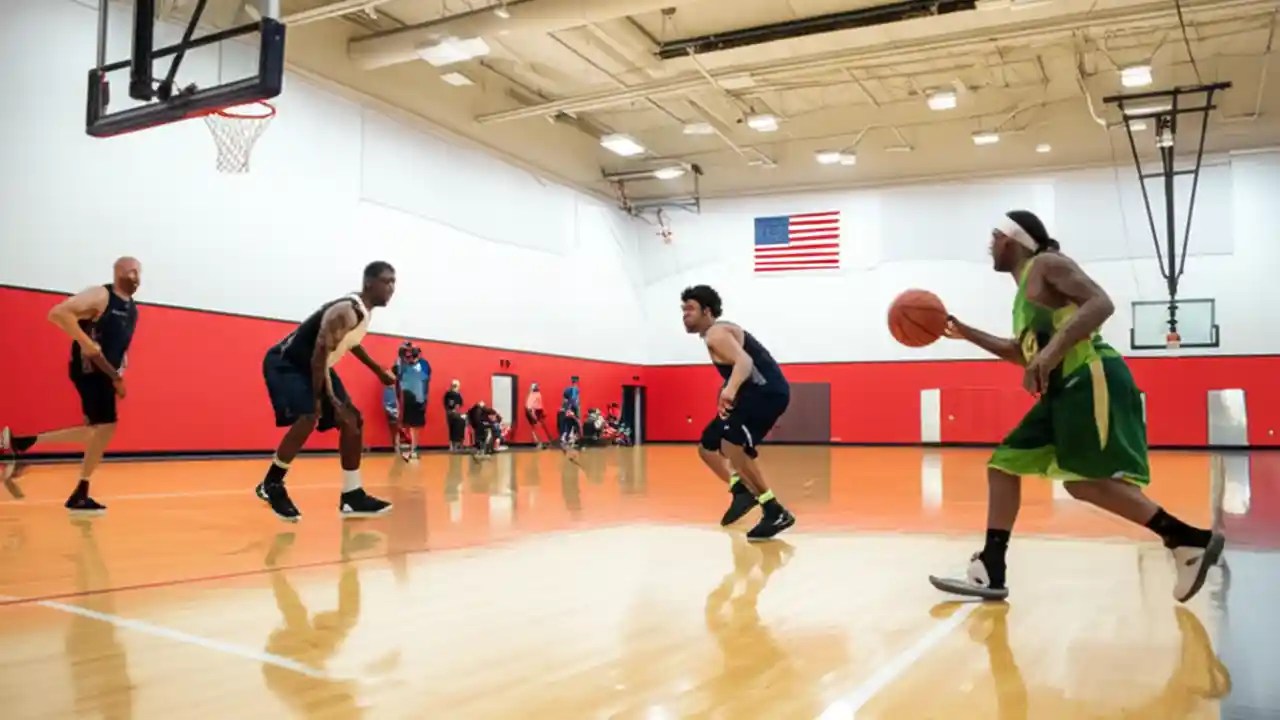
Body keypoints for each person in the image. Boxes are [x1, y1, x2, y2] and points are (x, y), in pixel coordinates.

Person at [928, 210, 1224, 603]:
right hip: (1062, 390)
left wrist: (1049, 355)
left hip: (1090, 375)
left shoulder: (1048, 264)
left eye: (994, 236)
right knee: (1004, 464)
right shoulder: (1023, 297)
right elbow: (1021, 353)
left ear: (1013, 241)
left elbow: (1100, 304)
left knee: (1084, 481)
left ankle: (1186, 540)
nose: (989, 244)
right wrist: (967, 334)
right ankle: (991, 567)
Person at [255, 261, 398, 522]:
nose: (391, 288)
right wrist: (329, 398)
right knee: (309, 415)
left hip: (315, 364)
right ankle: (271, 484)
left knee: (352, 420)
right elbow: (320, 352)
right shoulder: (346, 311)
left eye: (394, 282)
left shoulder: (361, 313)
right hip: (287, 362)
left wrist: (376, 369)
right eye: (386, 282)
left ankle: (352, 496)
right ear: (369, 283)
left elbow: (349, 342)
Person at [0, 257, 141, 515]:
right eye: (130, 271)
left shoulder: (133, 309)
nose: (135, 276)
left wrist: (119, 372)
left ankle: (24, 443)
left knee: (97, 431)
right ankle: (79, 491)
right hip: (89, 369)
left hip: (105, 373)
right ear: (118, 271)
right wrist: (86, 343)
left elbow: (119, 344)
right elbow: (58, 313)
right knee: (105, 428)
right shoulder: (101, 295)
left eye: (138, 272)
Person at [681, 285, 795, 541]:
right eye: (683, 310)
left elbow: (745, 362)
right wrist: (727, 390)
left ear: (707, 311)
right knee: (707, 446)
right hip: (753, 394)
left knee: (733, 445)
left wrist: (729, 390)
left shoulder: (715, 333)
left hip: (767, 393)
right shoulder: (717, 333)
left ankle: (773, 510)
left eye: (690, 309)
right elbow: (738, 367)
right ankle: (741, 490)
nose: (685, 315)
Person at [394, 341, 430, 459]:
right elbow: (397, 373)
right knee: (404, 425)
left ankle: (413, 449)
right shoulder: (402, 365)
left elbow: (425, 379)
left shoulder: (424, 365)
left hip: (418, 399)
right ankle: (402, 449)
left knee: (416, 426)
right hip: (406, 398)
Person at [444, 380, 465, 452]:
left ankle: (451, 446)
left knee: (451, 429)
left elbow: (446, 404)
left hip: (448, 413)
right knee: (457, 428)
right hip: (453, 413)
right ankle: (456, 446)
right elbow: (459, 404)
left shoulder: (447, 394)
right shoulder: (456, 394)